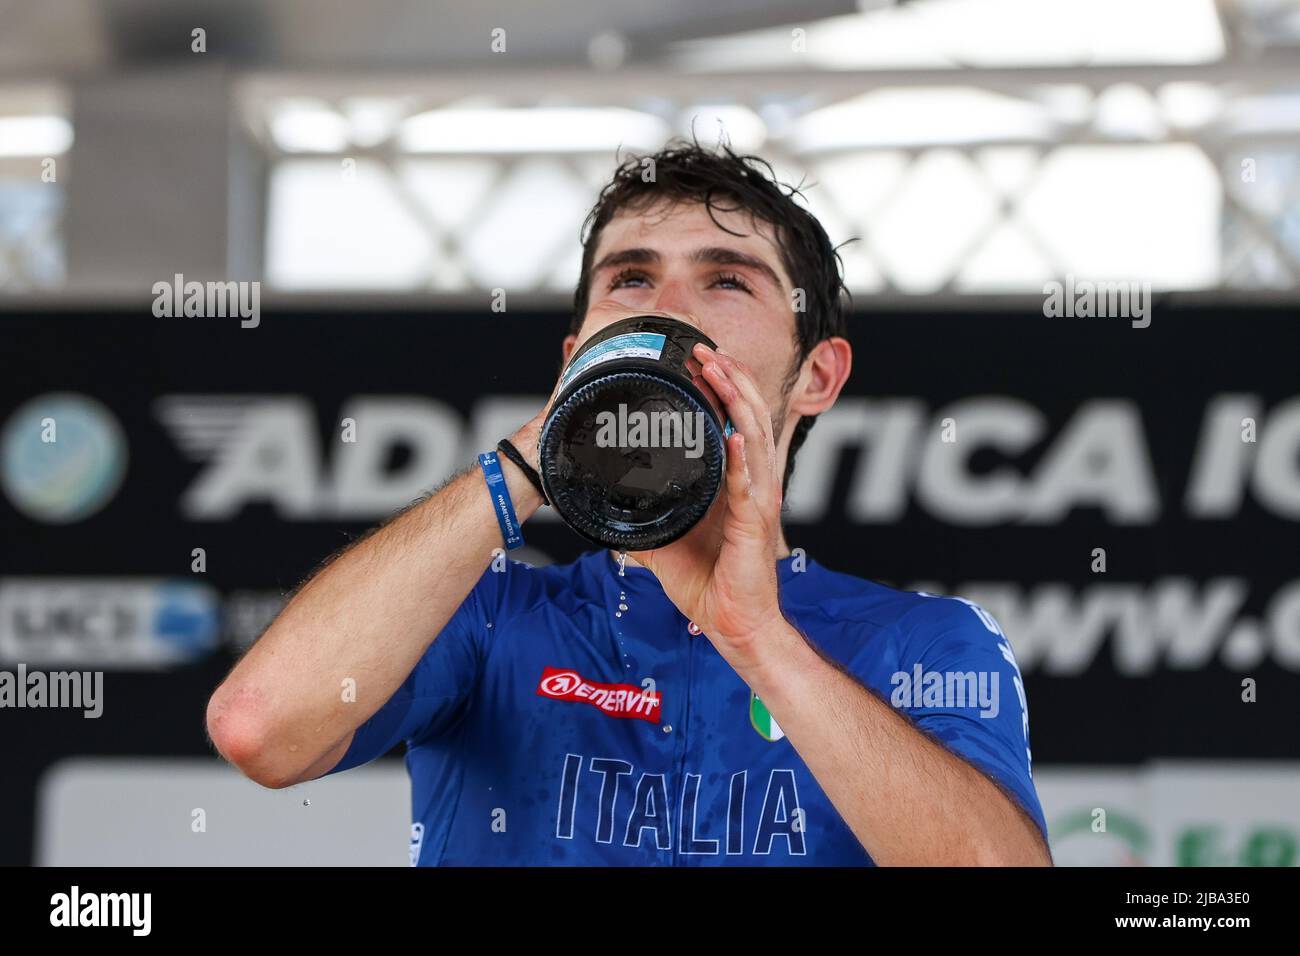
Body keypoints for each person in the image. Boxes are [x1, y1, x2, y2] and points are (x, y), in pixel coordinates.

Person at [206, 141, 1052, 866]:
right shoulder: (489, 615)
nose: (666, 306)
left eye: (727, 281)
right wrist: (529, 461)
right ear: (575, 353)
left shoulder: (923, 642)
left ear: (818, 375)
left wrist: (760, 641)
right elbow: (259, 730)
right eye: (632, 278)